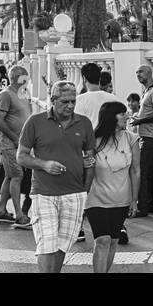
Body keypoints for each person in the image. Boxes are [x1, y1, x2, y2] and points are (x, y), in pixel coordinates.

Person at [17, 81, 95, 273]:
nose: (70, 105)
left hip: (75, 194)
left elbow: (91, 158)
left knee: (62, 245)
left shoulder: (84, 123)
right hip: (44, 193)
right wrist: (44, 164)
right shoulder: (35, 122)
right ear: (53, 100)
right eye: (65, 101)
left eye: (73, 101)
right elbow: (21, 156)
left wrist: (85, 190)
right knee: (46, 243)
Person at [86, 102, 138, 273]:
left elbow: (136, 171)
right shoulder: (93, 140)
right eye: (121, 114)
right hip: (96, 198)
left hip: (121, 199)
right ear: (110, 117)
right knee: (103, 240)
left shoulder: (131, 138)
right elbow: (87, 170)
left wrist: (134, 201)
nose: (126, 116)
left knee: (113, 241)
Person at [0, 65, 34, 228]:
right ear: (18, 77)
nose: (28, 80)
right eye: (25, 77)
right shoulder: (6, 95)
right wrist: (16, 138)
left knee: (10, 176)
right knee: (17, 176)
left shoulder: (22, 94)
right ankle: (19, 214)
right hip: (10, 144)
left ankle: (1, 211)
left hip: (19, 143)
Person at [130, 64, 153, 217]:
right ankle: (149, 205)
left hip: (151, 136)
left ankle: (142, 207)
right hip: (145, 135)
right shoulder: (147, 91)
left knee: (142, 170)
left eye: (141, 72)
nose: (138, 75)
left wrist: (139, 121)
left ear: (149, 73)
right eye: (137, 72)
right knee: (148, 171)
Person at [75, 62, 122, 129]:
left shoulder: (79, 100)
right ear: (99, 78)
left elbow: (78, 126)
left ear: (84, 78)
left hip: (91, 138)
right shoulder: (113, 98)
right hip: (111, 137)